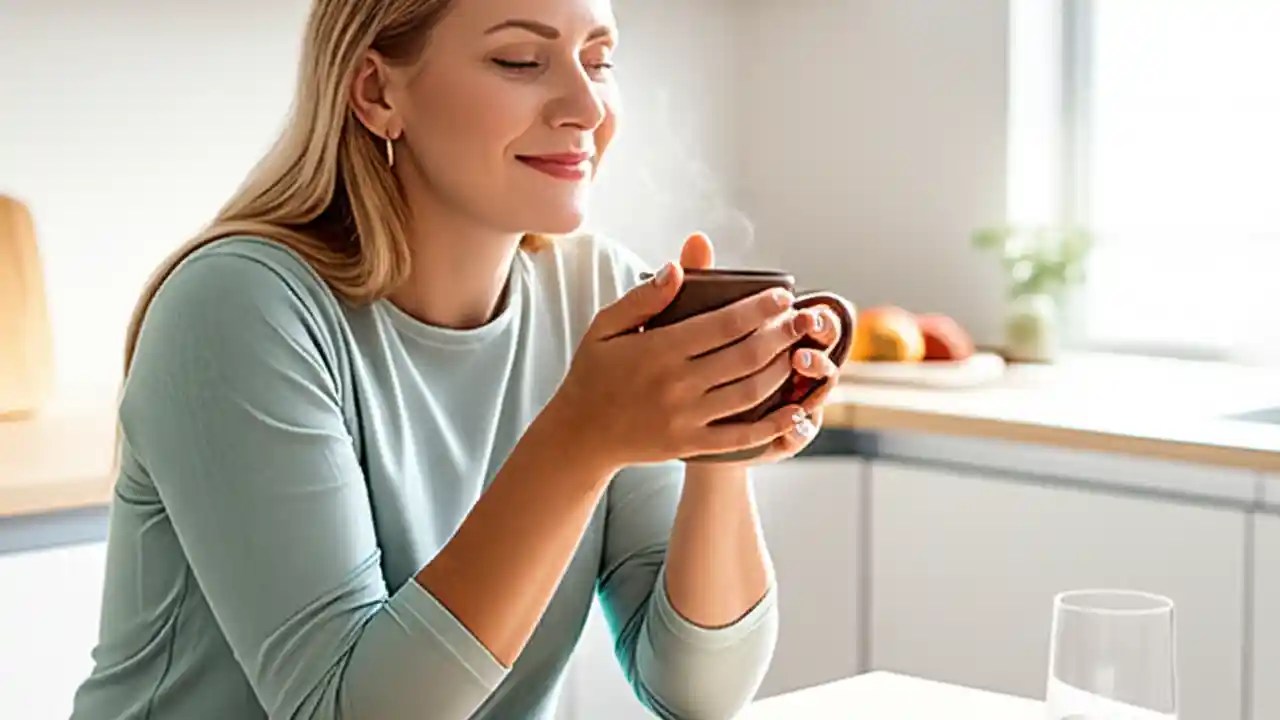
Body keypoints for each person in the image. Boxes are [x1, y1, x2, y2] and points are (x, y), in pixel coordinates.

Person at [70, 0, 846, 717]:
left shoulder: (597, 297)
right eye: (520, 61)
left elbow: (695, 693)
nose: (587, 107)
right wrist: (579, 440)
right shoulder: (239, 309)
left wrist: (718, 438)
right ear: (376, 92)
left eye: (599, 60)